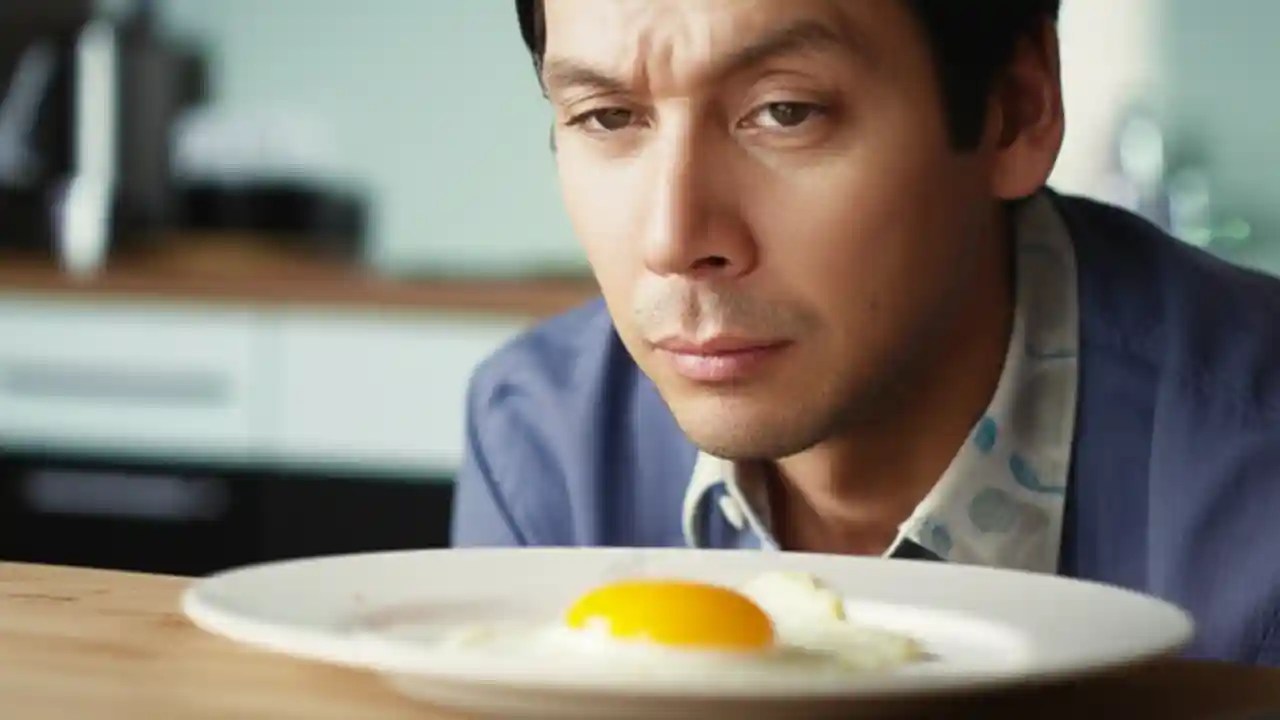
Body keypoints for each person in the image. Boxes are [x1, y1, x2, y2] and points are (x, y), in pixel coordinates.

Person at [451, 0, 1280, 666]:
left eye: (784, 112)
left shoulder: (1253, 480)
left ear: (1015, 110)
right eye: (606, 117)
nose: (673, 240)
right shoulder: (543, 443)